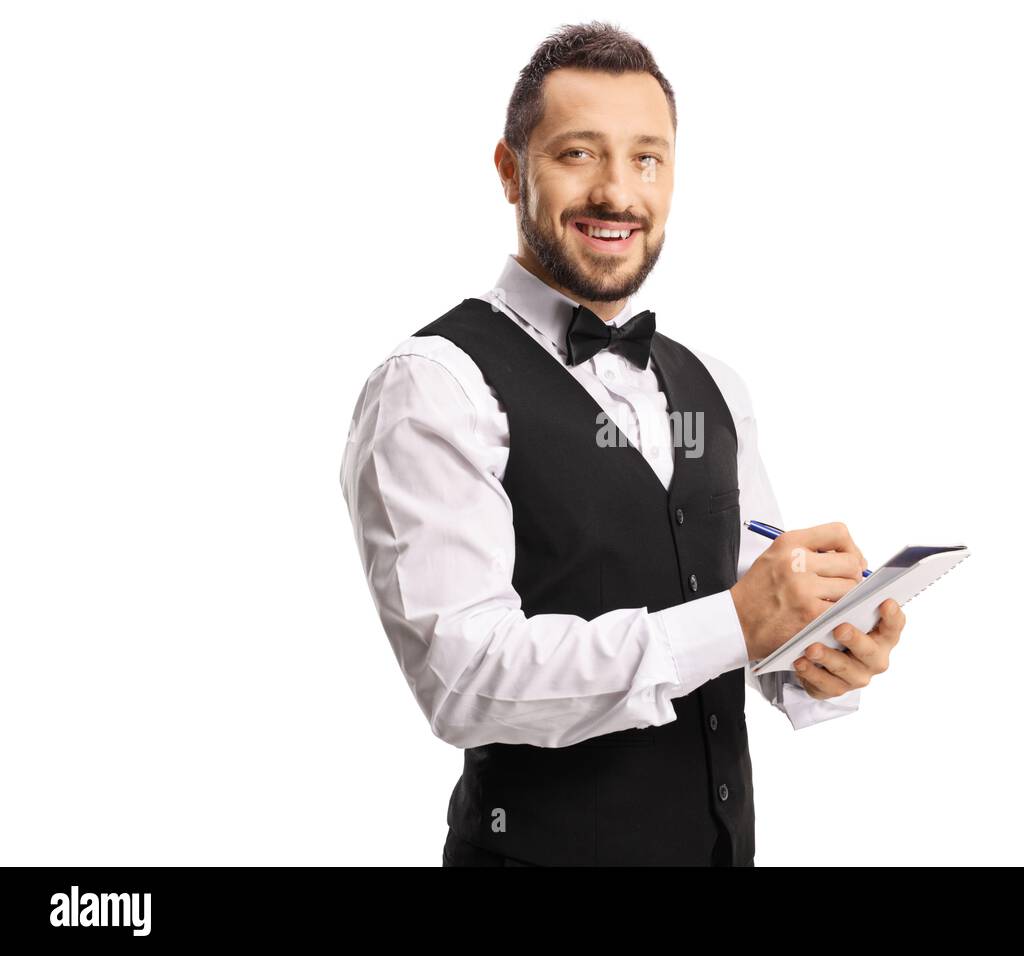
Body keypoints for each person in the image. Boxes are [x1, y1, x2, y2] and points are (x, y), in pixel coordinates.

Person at [338, 20, 905, 867]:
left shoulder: (716, 385)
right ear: (510, 170)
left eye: (647, 158)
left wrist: (822, 651)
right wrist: (736, 620)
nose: (618, 192)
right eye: (579, 154)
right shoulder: (433, 384)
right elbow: (463, 679)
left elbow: (749, 614)